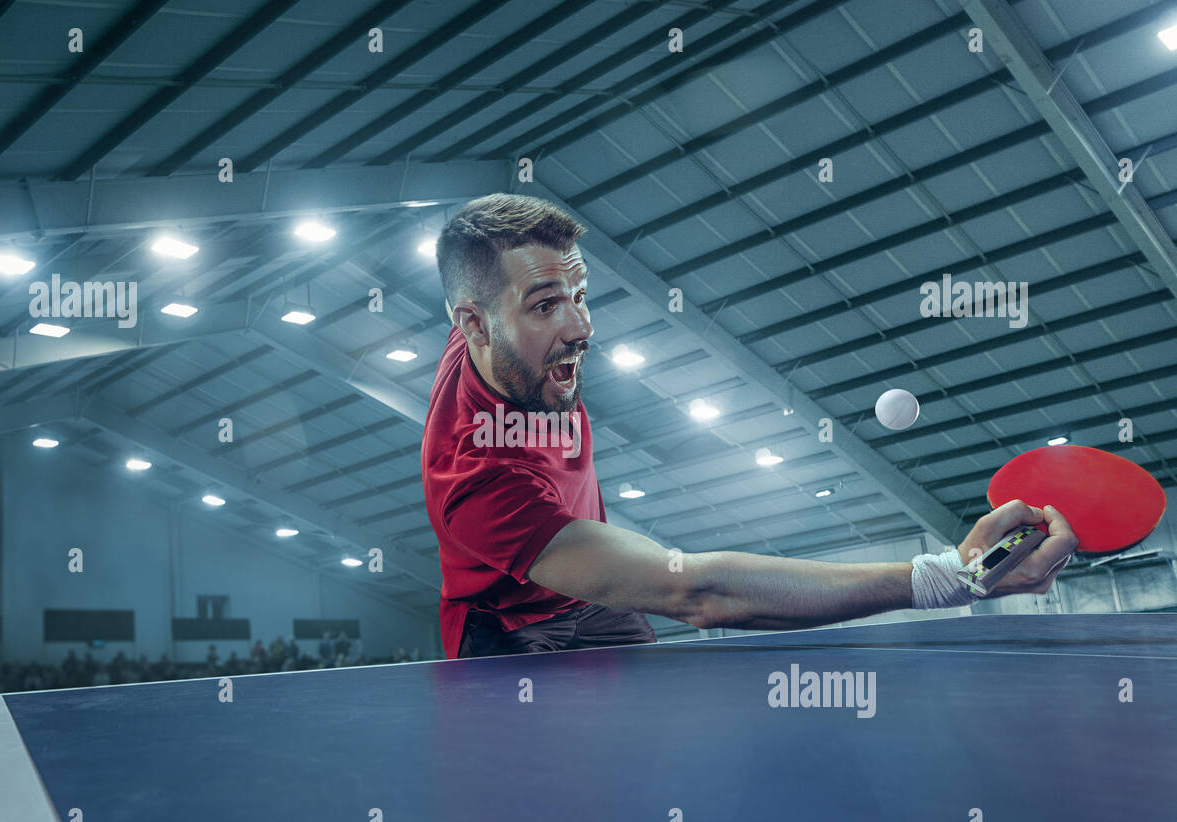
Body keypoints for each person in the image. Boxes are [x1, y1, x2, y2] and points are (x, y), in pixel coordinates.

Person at [422, 194, 1077, 660]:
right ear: (472, 326)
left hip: (595, 603)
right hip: (510, 627)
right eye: (545, 306)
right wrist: (937, 577)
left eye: (581, 294)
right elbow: (696, 591)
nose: (581, 328)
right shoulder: (475, 482)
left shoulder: (510, 337)